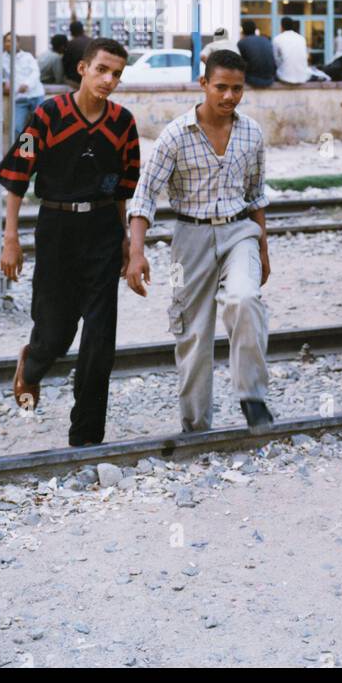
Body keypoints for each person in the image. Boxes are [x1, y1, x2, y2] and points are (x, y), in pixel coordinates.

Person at [0, 38, 140, 447]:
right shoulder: (46, 115)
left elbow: (122, 188)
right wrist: (11, 238)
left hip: (103, 233)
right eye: (102, 70)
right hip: (56, 228)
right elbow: (18, 176)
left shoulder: (123, 123)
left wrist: (127, 240)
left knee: (99, 338)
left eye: (117, 74)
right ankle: (33, 363)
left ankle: (86, 435)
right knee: (56, 330)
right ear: (82, 69)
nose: (109, 80)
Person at [126, 48, 274, 433]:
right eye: (221, 87)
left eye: (237, 89)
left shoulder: (251, 133)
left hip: (240, 231)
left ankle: (253, 397)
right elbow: (144, 196)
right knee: (192, 331)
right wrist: (136, 253)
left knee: (245, 299)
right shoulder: (175, 136)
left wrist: (263, 248)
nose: (229, 97)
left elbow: (257, 194)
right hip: (187, 239)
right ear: (204, 84)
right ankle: (196, 425)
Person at [2, 30, 46, 137]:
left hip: (36, 95)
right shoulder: (1, 59)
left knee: (40, 127)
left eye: (13, 40)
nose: (10, 43)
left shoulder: (28, 57)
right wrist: (4, 84)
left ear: (18, 42)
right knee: (18, 128)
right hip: (19, 98)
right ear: (4, 44)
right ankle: (25, 152)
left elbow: (36, 72)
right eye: (7, 41)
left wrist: (27, 84)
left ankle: (39, 152)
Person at [272, 16, 312, 85]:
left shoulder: (277, 39)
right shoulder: (301, 38)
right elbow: (306, 57)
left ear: (281, 26)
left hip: (285, 77)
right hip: (303, 77)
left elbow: (274, 59)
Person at [237, 19, 276, 89]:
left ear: (243, 31)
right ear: (255, 30)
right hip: (270, 79)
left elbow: (239, 63)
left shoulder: (242, 43)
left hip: (253, 80)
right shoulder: (266, 40)